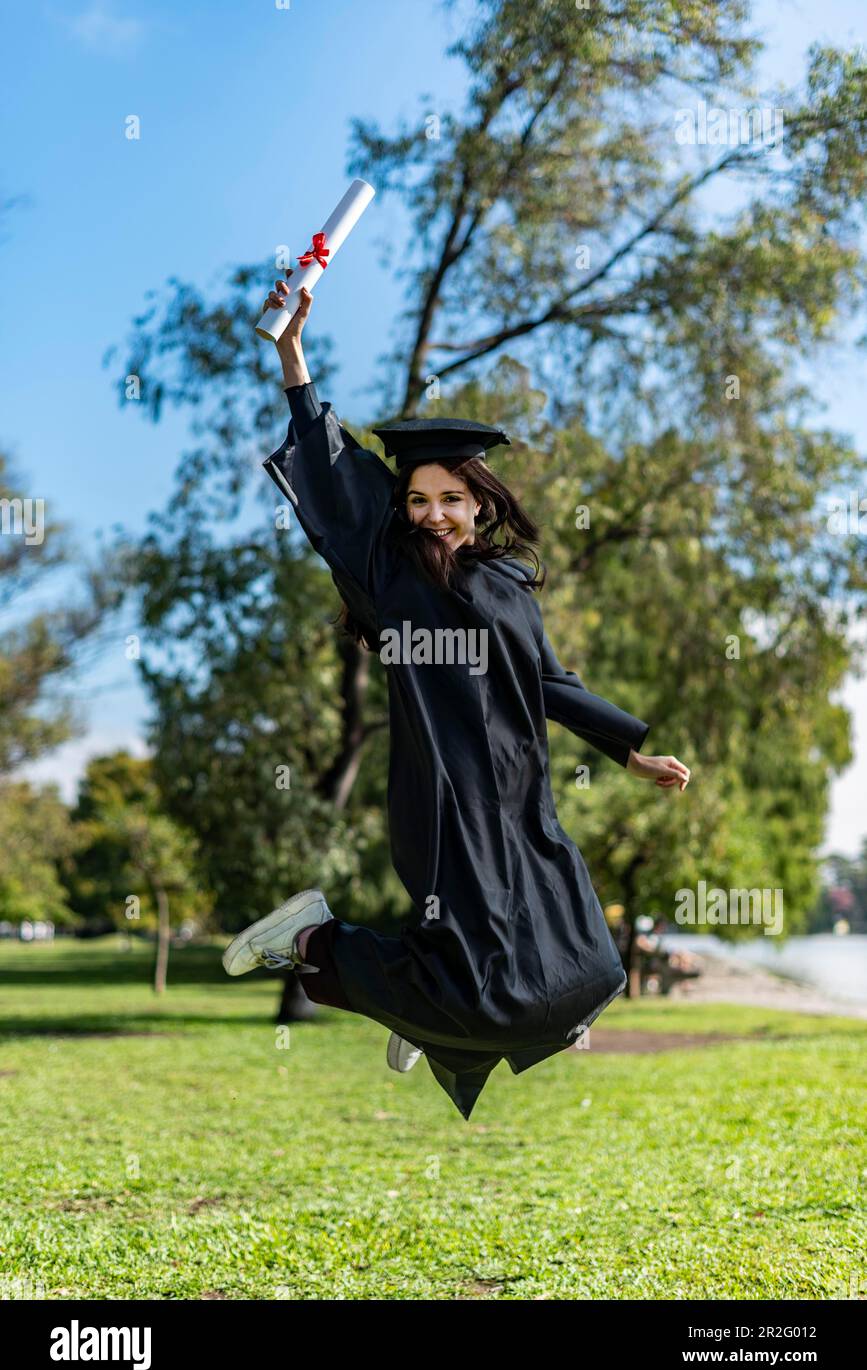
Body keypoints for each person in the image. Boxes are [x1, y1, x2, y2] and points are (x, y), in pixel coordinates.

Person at [222, 275, 691, 1120]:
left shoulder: (510, 584)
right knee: (484, 989)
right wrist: (292, 353)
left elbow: (548, 682)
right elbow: (330, 472)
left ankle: (424, 1013)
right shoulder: (391, 571)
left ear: (479, 504)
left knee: (589, 968)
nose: (433, 512)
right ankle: (315, 940)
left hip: (519, 792)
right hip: (447, 793)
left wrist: (628, 750)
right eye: (417, 499)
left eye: (449, 498)